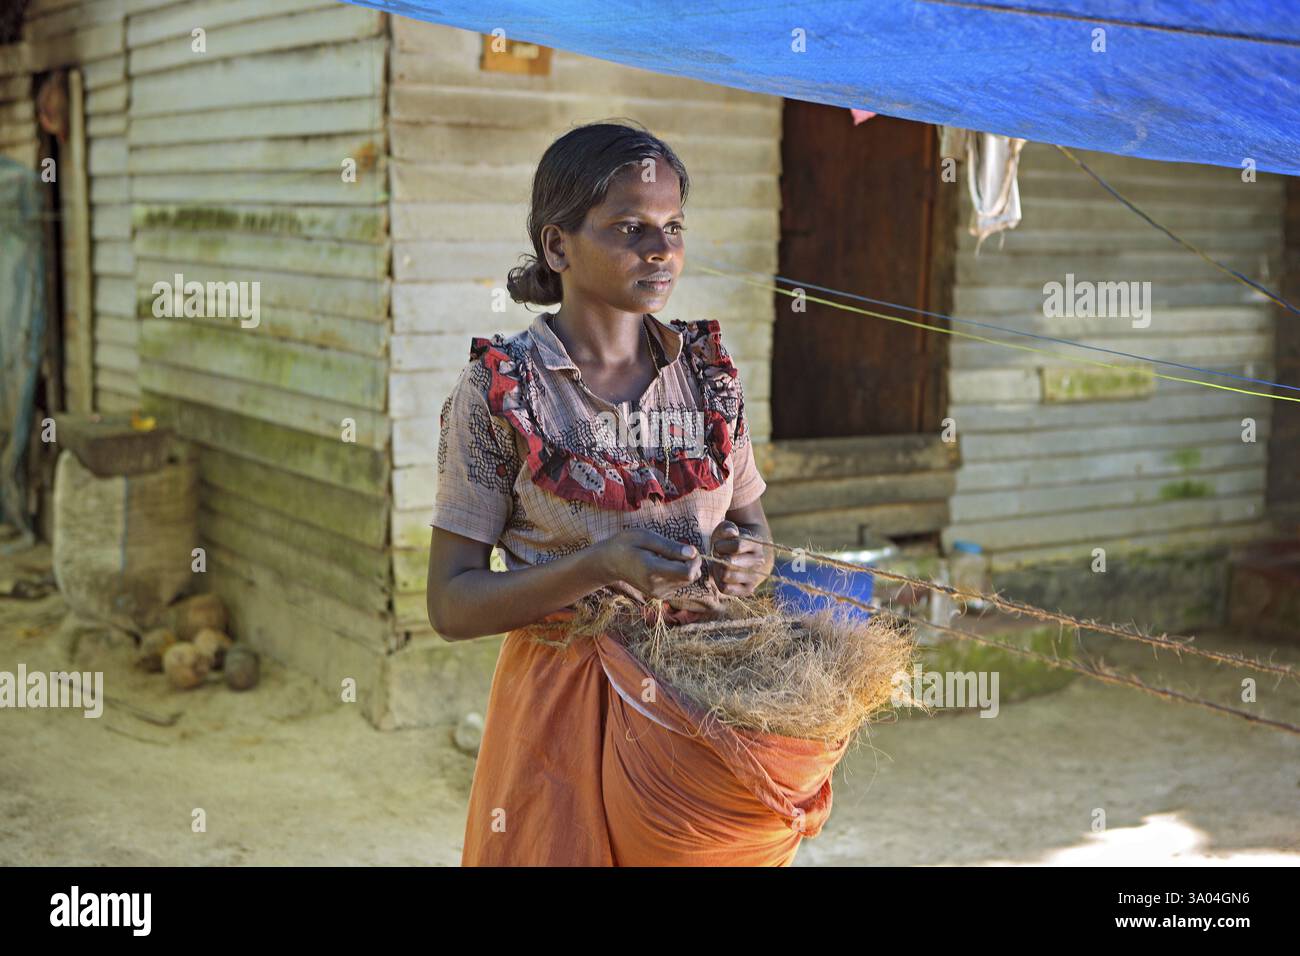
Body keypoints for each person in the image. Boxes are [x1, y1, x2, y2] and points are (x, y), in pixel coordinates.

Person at [425, 120, 773, 865]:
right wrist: (597, 565)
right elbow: (451, 604)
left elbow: (754, 530)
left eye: (673, 226)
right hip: (562, 716)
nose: (661, 250)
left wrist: (749, 561)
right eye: (629, 228)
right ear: (558, 247)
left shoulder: (709, 378)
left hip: (699, 704)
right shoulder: (501, 393)